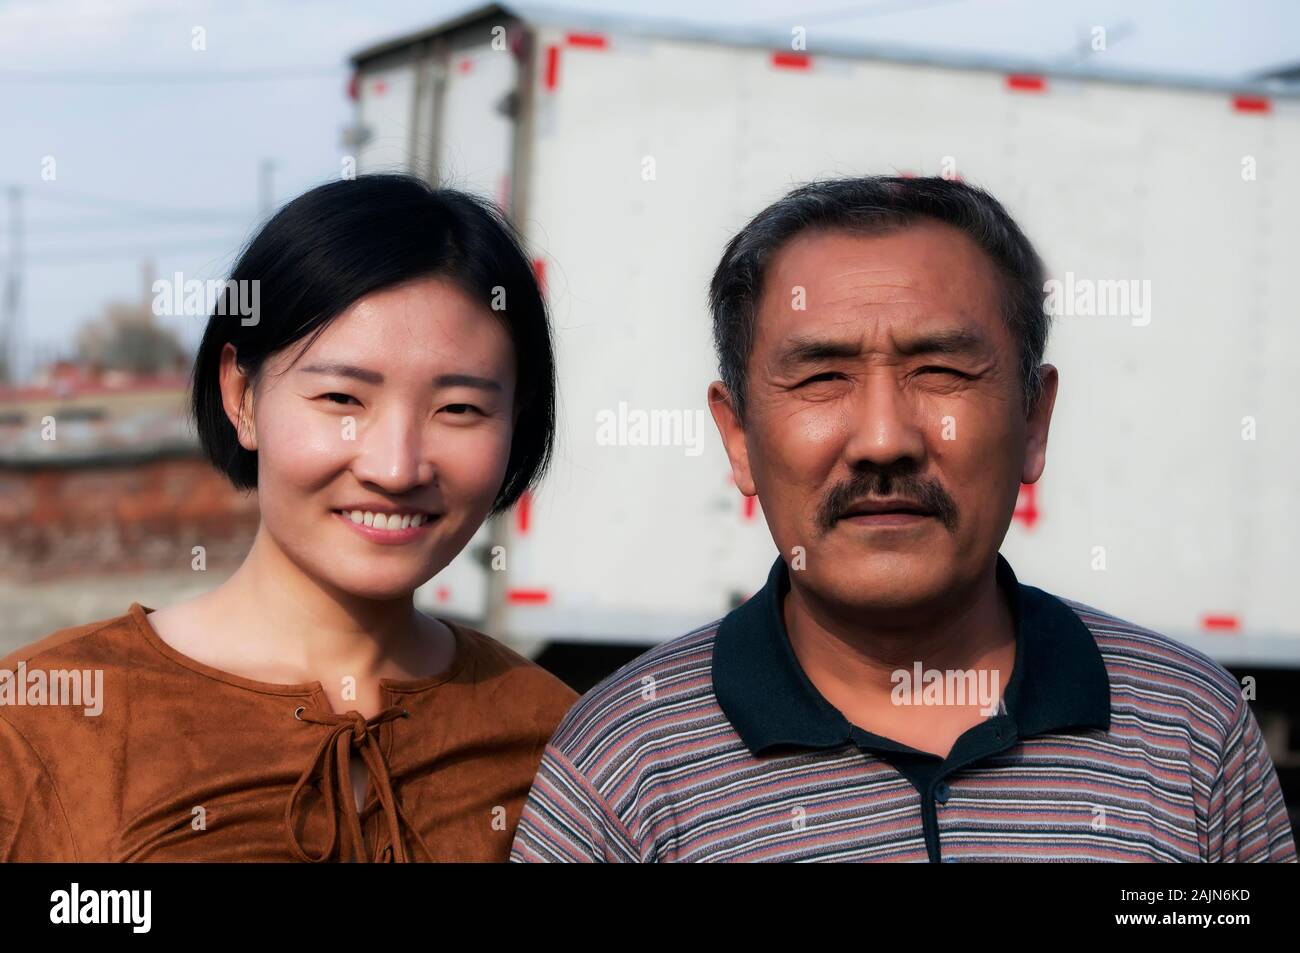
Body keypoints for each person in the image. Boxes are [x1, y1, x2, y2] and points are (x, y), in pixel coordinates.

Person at [510, 175, 1297, 863]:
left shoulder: (1190, 730)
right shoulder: (624, 761)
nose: (884, 438)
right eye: (821, 376)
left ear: (1033, 421)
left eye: (941, 371)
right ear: (740, 437)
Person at [0, 174, 577, 862]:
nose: (396, 468)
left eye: (459, 408)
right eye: (341, 397)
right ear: (242, 396)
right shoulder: (46, 720)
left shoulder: (562, 746)